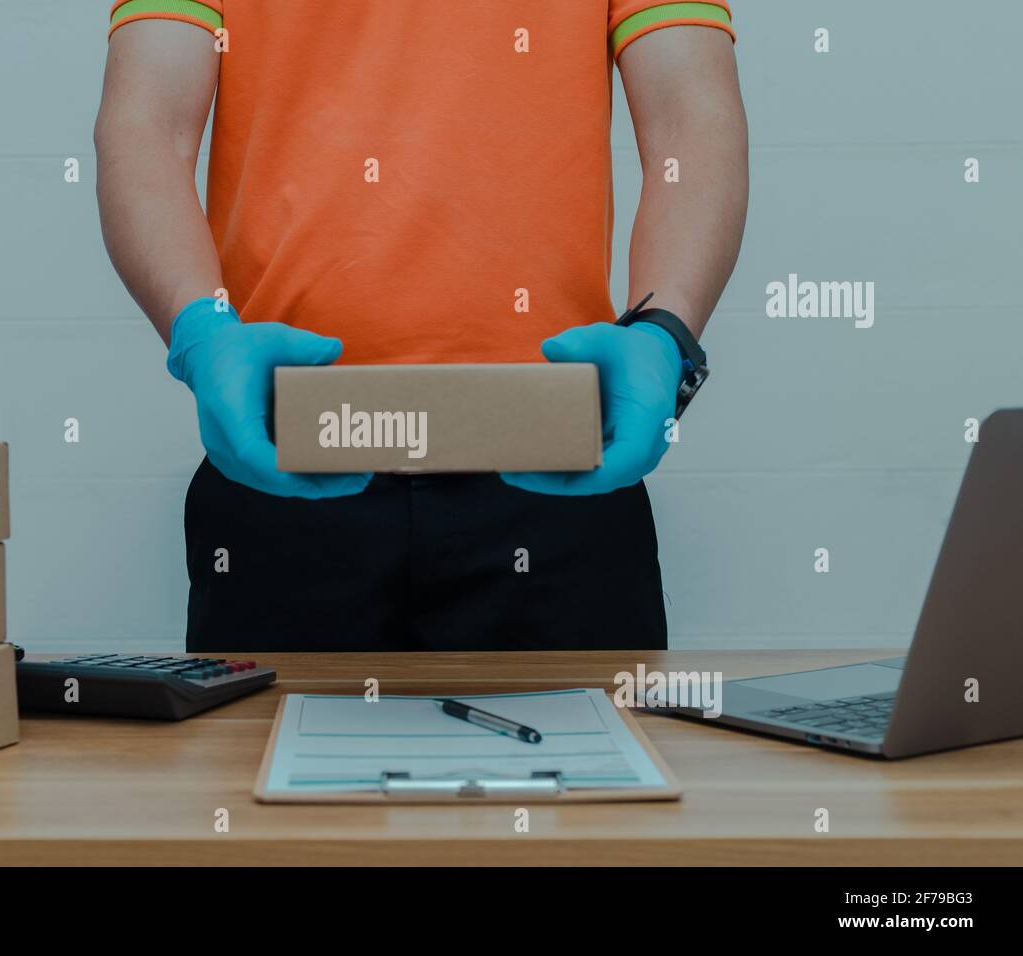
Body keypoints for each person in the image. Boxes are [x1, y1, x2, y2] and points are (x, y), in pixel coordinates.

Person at [95, 1, 748, 652]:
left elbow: (691, 124)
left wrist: (667, 329)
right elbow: (147, 127)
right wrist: (199, 327)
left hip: (561, 474)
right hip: (282, 464)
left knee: (598, 754)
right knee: (261, 755)